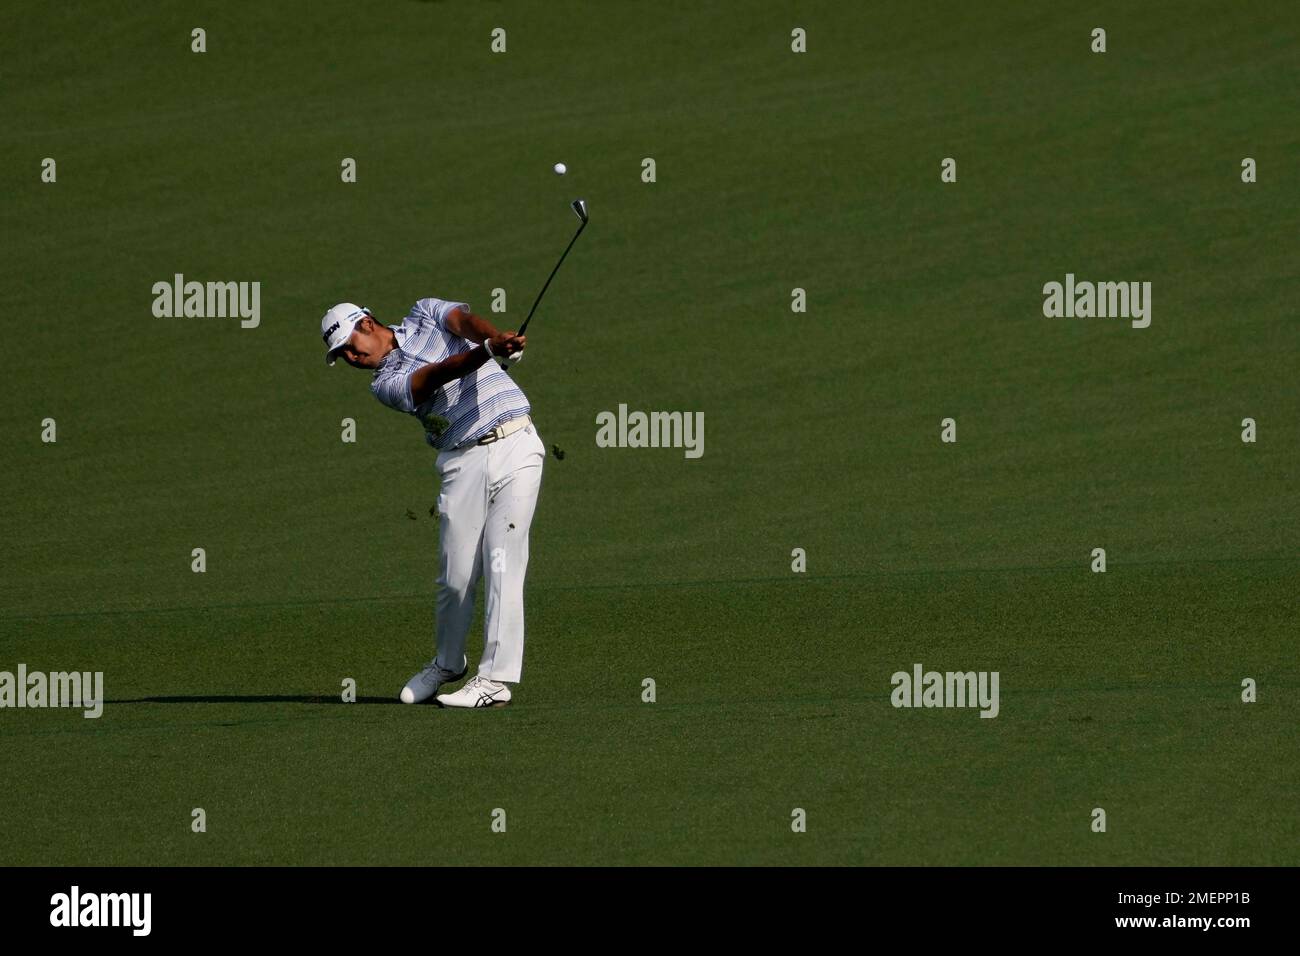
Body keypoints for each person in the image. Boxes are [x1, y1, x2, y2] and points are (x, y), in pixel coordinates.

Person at [320, 299, 544, 708]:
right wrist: (488, 353)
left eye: (350, 346)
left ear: (367, 323)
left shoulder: (424, 311)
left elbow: (463, 321)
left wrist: (495, 338)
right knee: (455, 576)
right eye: (343, 357)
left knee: (502, 561)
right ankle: (447, 663)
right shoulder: (384, 385)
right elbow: (436, 375)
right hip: (461, 462)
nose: (351, 358)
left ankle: (494, 679)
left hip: (515, 443)